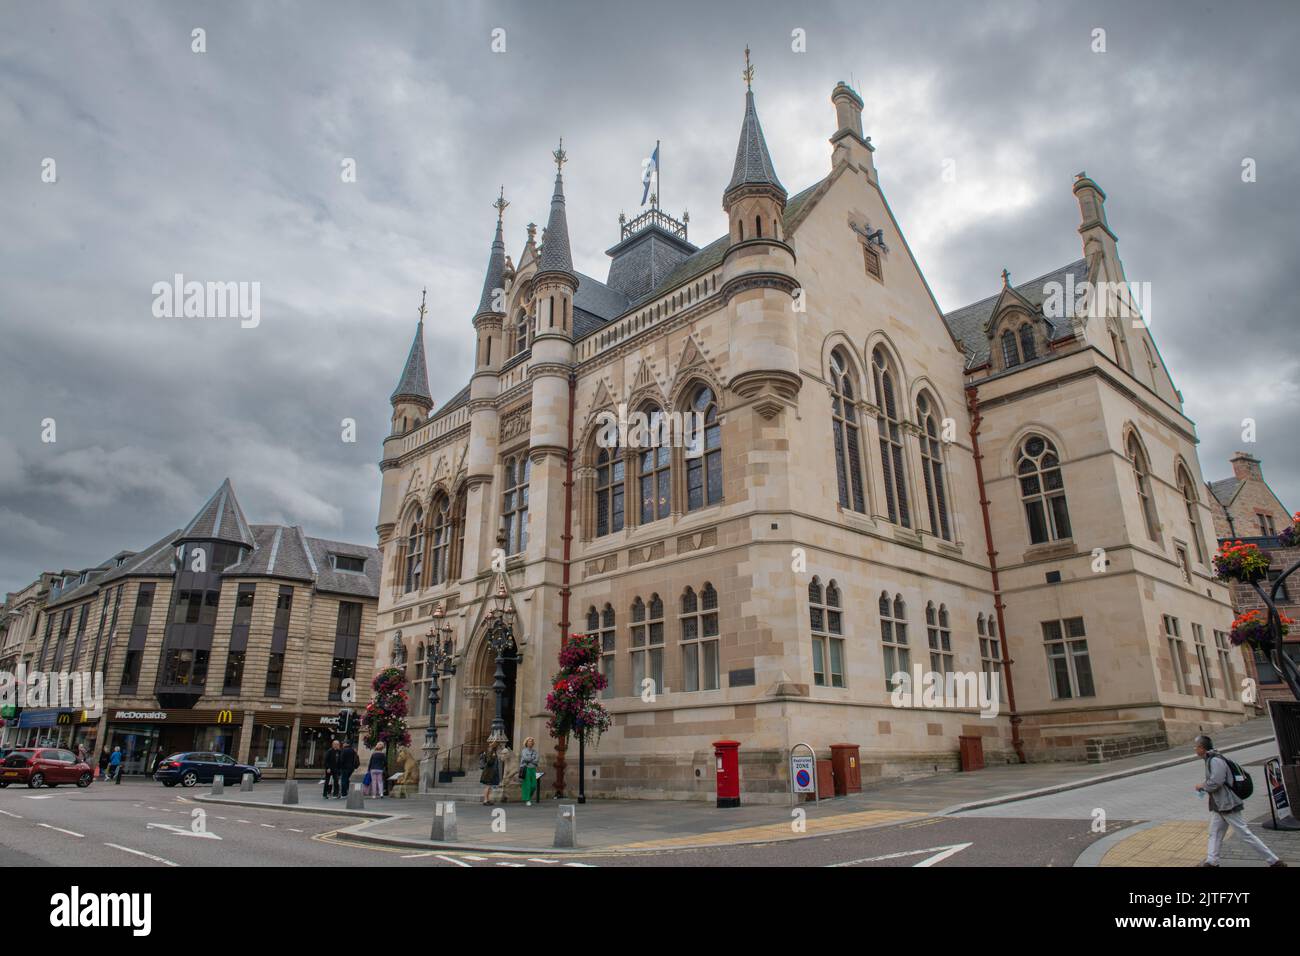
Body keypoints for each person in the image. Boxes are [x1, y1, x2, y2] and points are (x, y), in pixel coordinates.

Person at [1194, 735, 1286, 867]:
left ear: (1202, 748)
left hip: (1227, 804)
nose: (1195, 750)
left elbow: (1216, 782)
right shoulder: (1210, 759)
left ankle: (1275, 861)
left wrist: (1202, 786)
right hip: (1219, 805)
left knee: (1245, 834)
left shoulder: (1215, 760)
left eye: (1196, 747)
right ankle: (1211, 861)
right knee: (1214, 833)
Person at [519, 737, 540, 806]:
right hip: (526, 768)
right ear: (526, 743)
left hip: (533, 768)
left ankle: (528, 797)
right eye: (529, 741)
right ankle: (527, 799)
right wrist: (532, 759)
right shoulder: (524, 751)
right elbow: (525, 758)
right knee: (527, 785)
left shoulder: (535, 751)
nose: (530, 742)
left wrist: (530, 760)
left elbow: (537, 760)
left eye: (531, 741)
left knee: (533, 785)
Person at [479, 741, 501, 805]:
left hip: (492, 771)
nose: (498, 747)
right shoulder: (490, 751)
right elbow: (489, 762)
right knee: (487, 786)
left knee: (490, 786)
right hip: (488, 772)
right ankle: (485, 800)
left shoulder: (492, 751)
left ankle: (488, 799)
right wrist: (493, 757)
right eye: (498, 746)